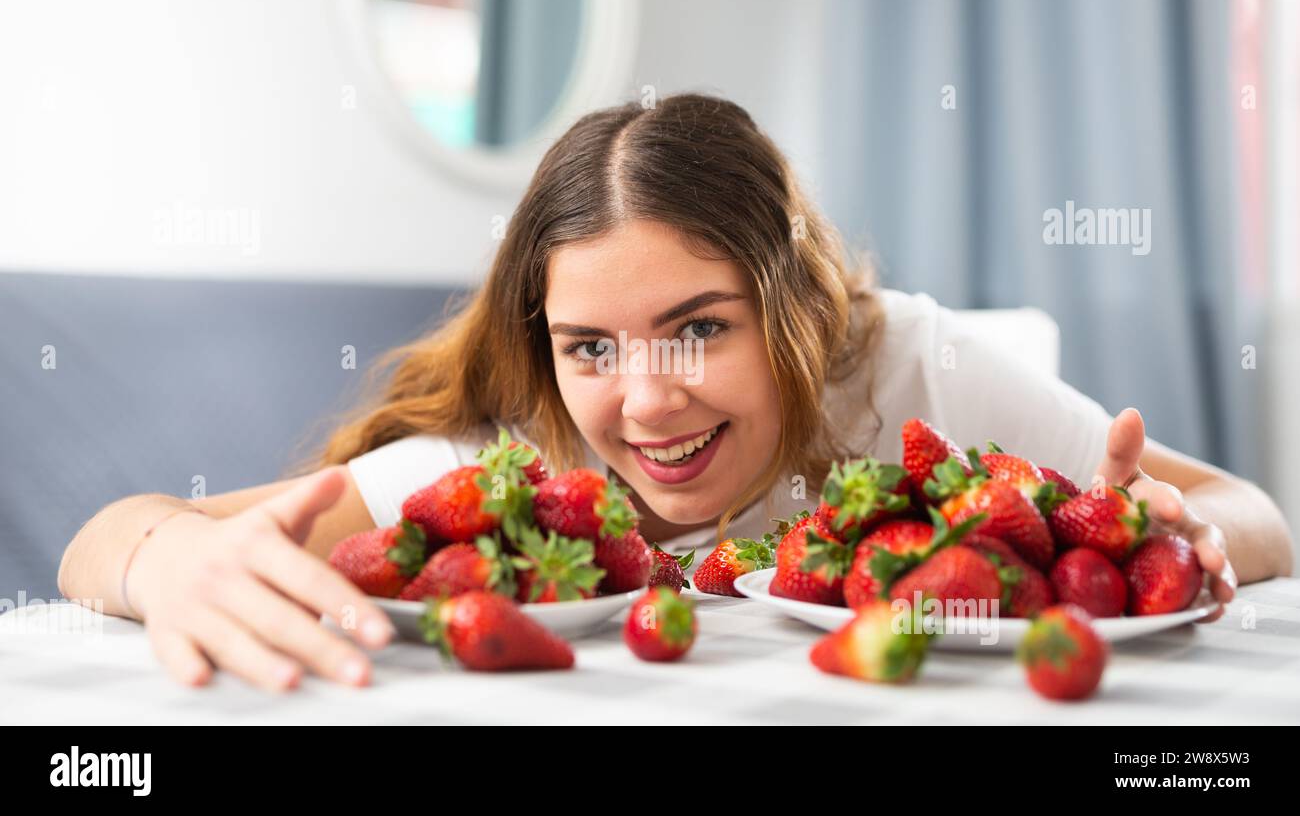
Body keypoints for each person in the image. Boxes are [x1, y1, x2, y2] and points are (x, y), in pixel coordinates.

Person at [58, 93, 1294, 692]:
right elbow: (108, 539)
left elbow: (1252, 514)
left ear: (799, 312)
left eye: (698, 329)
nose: (643, 403)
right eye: (590, 345)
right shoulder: (516, 464)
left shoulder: (908, 367)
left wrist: (1183, 539)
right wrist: (162, 559)